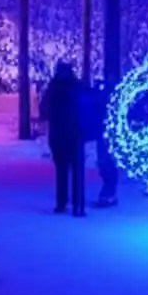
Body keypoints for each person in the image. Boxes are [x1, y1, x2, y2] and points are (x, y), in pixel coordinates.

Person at [44, 61, 86, 216]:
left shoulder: (53, 88)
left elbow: (45, 110)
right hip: (75, 134)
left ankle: (61, 203)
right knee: (77, 171)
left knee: (61, 170)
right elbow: (85, 109)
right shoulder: (77, 87)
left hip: (58, 134)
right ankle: (78, 205)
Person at [94, 80, 119, 207]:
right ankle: (109, 193)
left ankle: (108, 193)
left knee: (106, 163)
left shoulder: (106, 101)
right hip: (106, 134)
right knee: (107, 163)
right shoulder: (111, 102)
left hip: (107, 134)